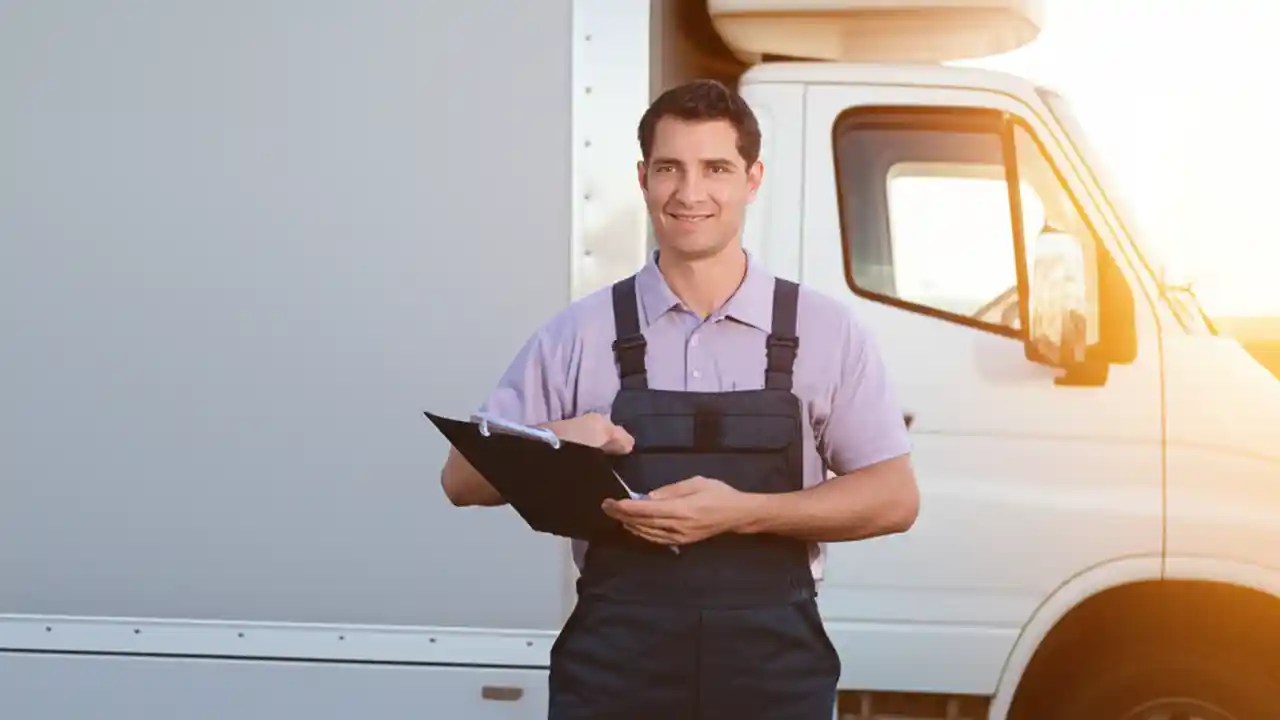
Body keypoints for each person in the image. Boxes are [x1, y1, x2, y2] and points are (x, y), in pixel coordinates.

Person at [441, 79, 919, 719]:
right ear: (643, 179)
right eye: (670, 168)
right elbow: (460, 481)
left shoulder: (825, 331)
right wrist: (568, 436)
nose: (690, 193)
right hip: (614, 669)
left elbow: (894, 496)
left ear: (753, 179)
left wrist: (742, 512)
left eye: (715, 168)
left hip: (772, 670)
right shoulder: (579, 333)